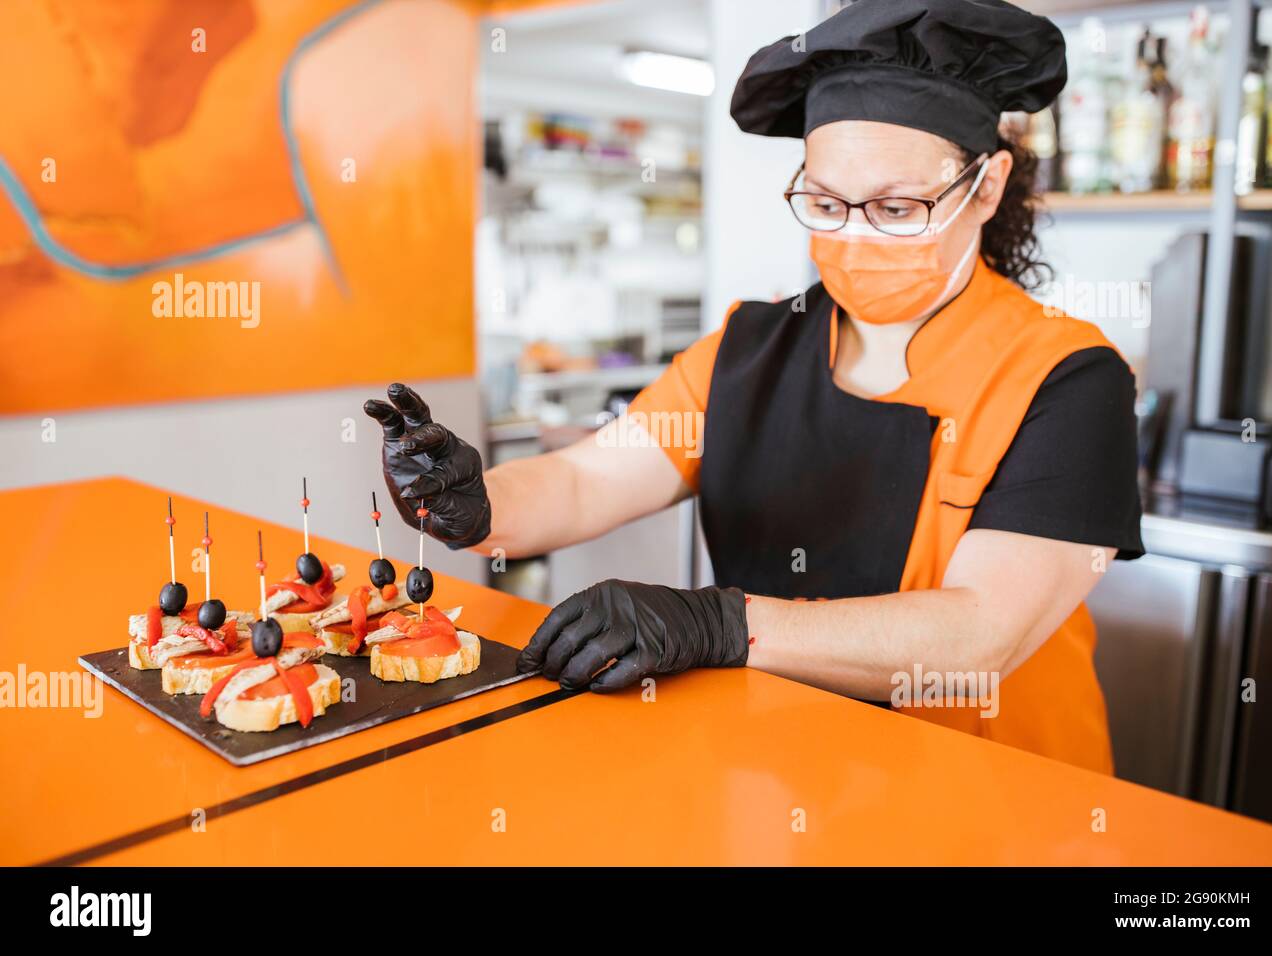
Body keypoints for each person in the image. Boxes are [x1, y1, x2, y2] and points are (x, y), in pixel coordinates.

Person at [364, 0, 1143, 774]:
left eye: (899, 207)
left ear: (986, 186)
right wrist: (473, 504)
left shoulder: (1068, 378)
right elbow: (584, 477)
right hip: (786, 769)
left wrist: (721, 625)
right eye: (828, 204)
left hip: (998, 797)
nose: (854, 236)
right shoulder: (747, 350)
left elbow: (981, 635)